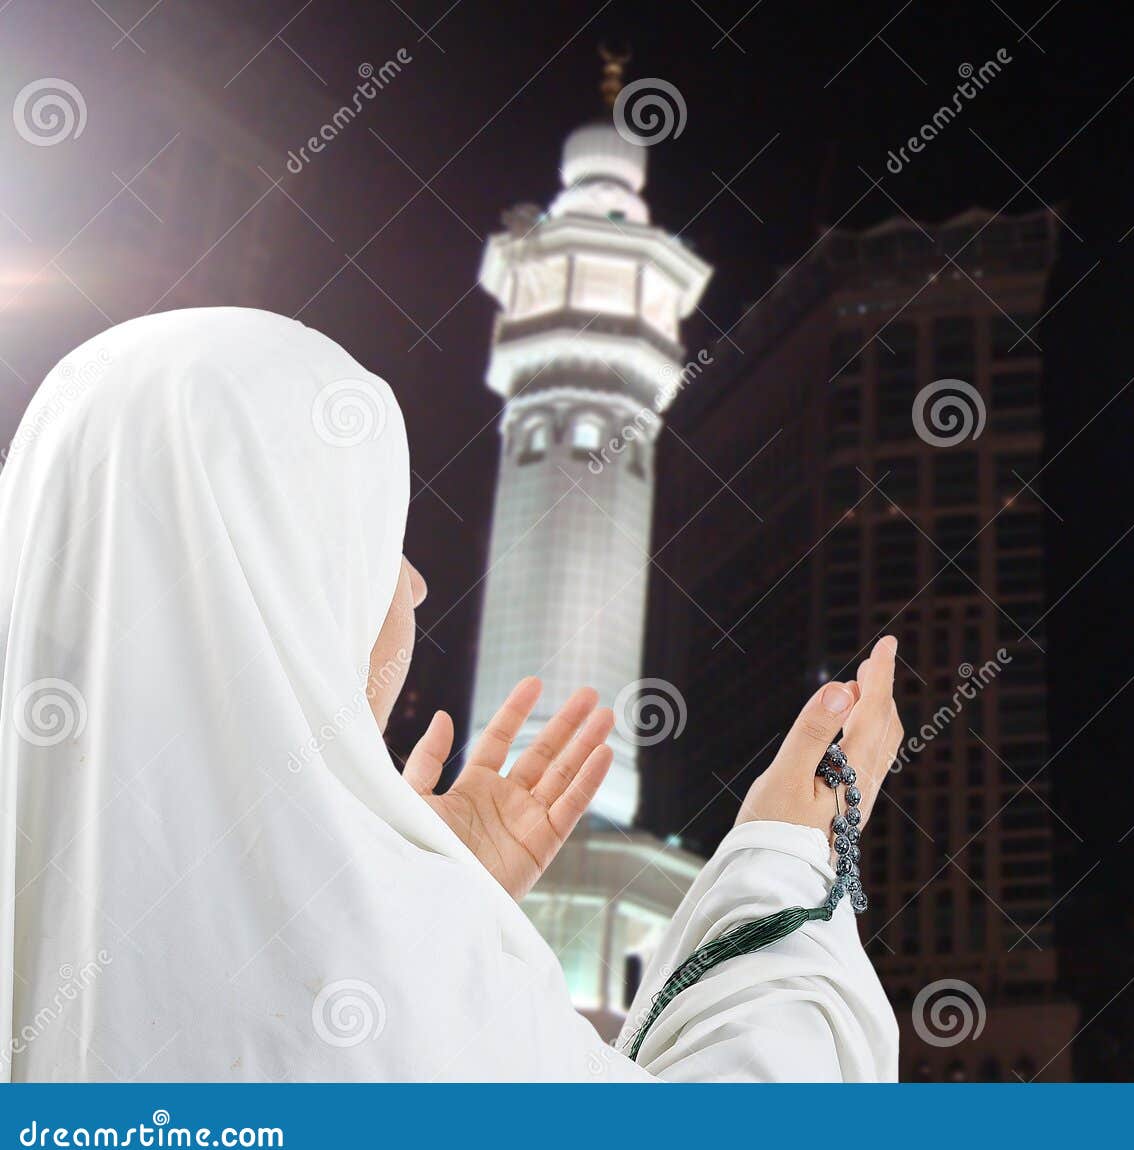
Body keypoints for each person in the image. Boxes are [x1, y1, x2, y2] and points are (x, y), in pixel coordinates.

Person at [0, 307, 902, 1081]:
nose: (413, 585)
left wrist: (429, 911)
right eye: (371, 540)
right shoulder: (383, 1004)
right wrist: (790, 855)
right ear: (275, 575)